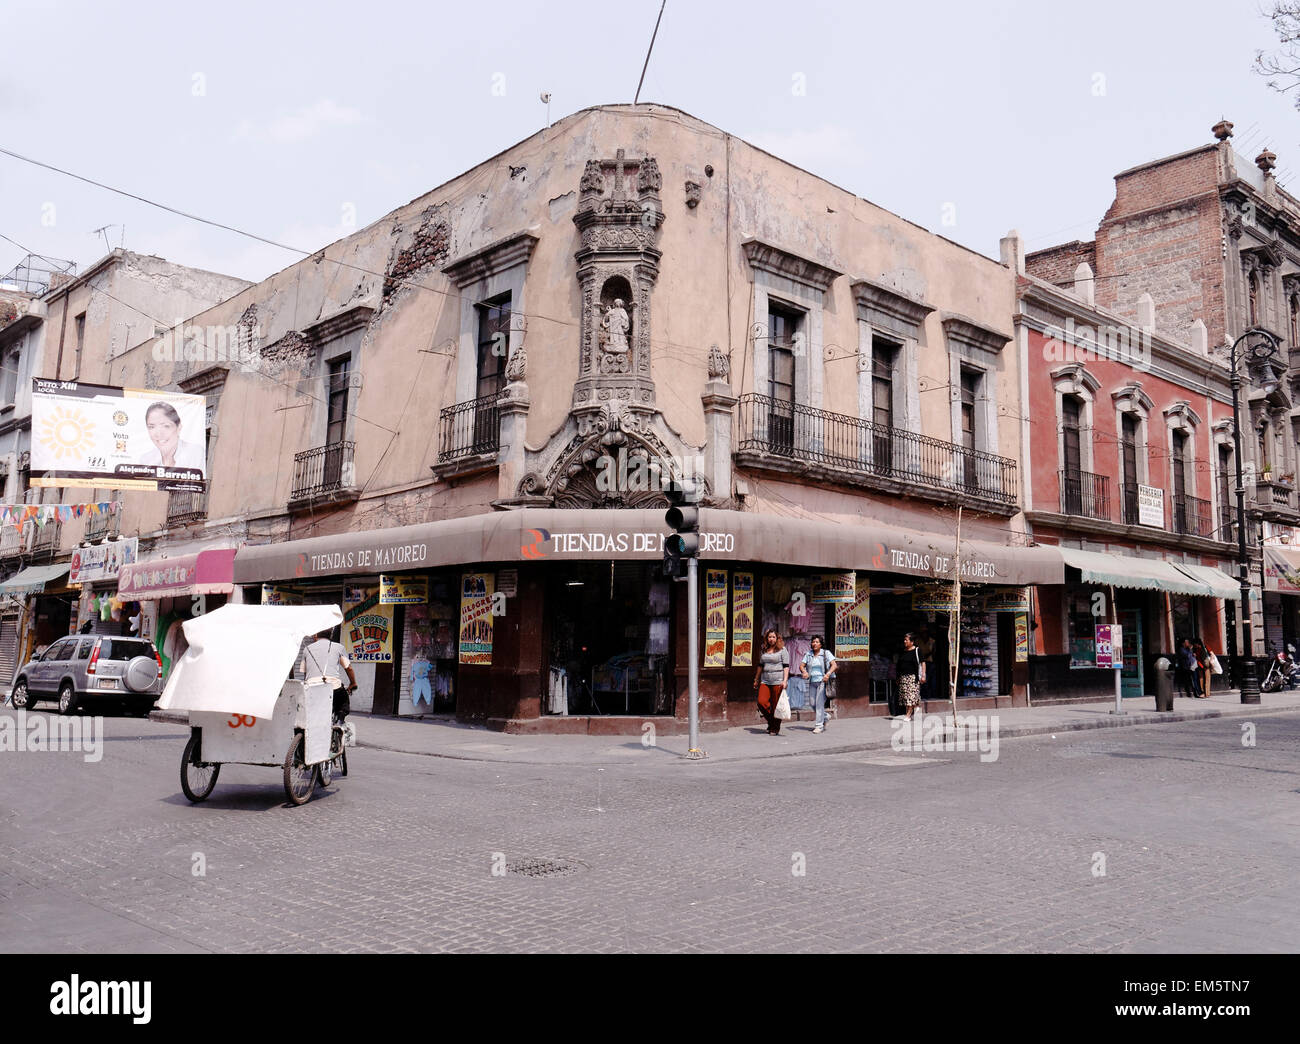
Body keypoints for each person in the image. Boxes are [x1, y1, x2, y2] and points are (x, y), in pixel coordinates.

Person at [303, 626, 357, 721]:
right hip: (333, 689)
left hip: (311, 688)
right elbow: (349, 668)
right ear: (331, 635)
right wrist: (353, 683)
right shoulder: (339, 647)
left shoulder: (307, 649)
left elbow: (305, 673)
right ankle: (339, 721)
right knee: (343, 700)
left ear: (316, 635)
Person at [138, 402, 206, 470]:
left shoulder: (195, 452)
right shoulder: (146, 460)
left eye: (166, 426)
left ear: (179, 428)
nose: (158, 433)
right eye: (152, 427)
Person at [752, 628, 789, 735]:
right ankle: (772, 722)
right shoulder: (763, 650)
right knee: (761, 702)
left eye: (773, 637)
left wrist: (785, 680)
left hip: (778, 680)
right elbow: (760, 665)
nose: (771, 639)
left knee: (776, 705)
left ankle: (775, 728)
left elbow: (786, 666)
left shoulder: (783, 650)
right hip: (765, 680)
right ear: (767, 638)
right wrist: (756, 679)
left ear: (777, 638)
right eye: (769, 637)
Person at [800, 634, 838, 734]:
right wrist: (804, 672)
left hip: (823, 682)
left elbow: (834, 665)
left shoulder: (826, 653)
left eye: (817, 642)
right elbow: (801, 665)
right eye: (813, 642)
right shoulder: (809, 654)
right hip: (812, 681)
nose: (814, 644)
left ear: (821, 644)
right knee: (812, 703)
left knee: (819, 704)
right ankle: (825, 716)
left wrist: (828, 674)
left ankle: (819, 726)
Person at [895, 632, 924, 721]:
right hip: (903, 677)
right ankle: (915, 707)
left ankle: (908, 715)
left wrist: (923, 675)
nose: (904, 641)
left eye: (906, 640)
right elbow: (899, 665)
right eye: (904, 640)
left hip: (913, 677)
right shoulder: (903, 652)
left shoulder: (917, 650)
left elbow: (923, 662)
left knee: (910, 697)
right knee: (906, 697)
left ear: (912, 642)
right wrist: (898, 677)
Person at [916, 624, 936, 700]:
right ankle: (924, 694)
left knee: (930, 679)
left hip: (930, 662)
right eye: (922, 632)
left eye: (925, 632)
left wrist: (928, 655)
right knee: (923, 679)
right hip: (921, 663)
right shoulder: (918, 641)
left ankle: (931, 695)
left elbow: (934, 652)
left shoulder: (932, 641)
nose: (924, 634)